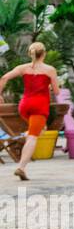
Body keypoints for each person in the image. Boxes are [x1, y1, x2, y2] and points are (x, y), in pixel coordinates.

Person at [0, 42, 60, 181]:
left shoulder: (23, 68)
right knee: (33, 137)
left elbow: (4, 78)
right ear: (44, 54)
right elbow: (56, 91)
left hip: (25, 106)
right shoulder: (49, 70)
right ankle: (21, 167)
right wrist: (50, 87)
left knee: (39, 129)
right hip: (39, 106)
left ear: (30, 53)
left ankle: (26, 135)